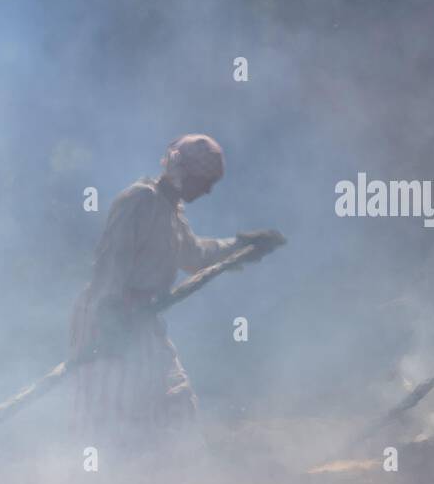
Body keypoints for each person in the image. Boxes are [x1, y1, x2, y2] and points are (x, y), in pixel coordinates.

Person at [69, 134, 278, 455]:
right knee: (109, 408)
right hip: (108, 317)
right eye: (204, 181)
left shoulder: (170, 212)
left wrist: (242, 246)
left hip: (140, 320)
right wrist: (109, 318)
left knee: (172, 398)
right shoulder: (140, 201)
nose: (208, 190)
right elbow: (112, 261)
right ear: (184, 172)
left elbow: (195, 256)